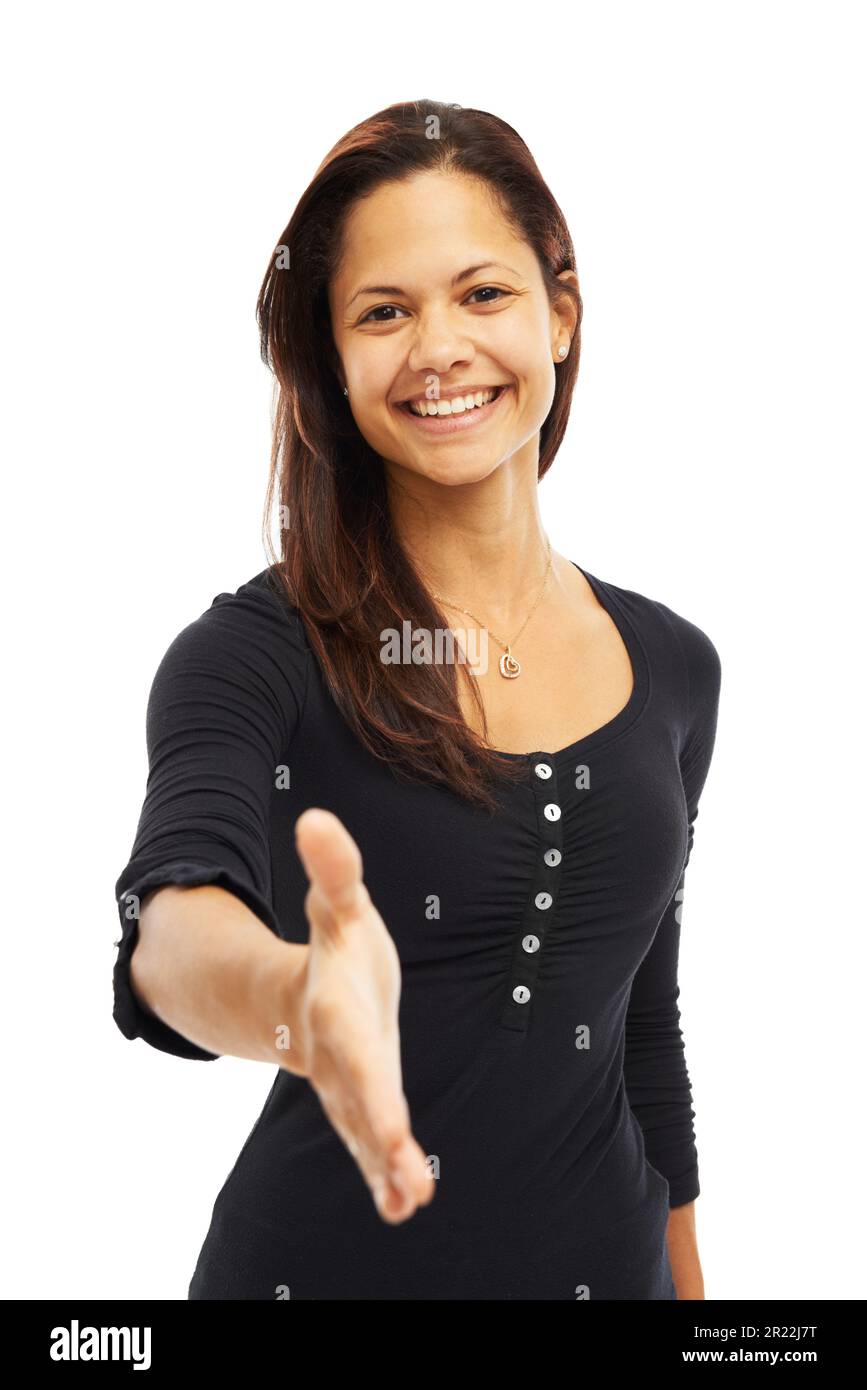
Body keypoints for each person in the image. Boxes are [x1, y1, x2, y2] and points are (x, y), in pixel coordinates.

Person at [113, 99, 721, 1300]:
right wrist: (296, 997)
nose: (437, 347)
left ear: (561, 310)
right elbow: (170, 928)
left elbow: (644, 1025)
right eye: (383, 311)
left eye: (482, 294)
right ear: (334, 365)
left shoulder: (677, 666)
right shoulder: (252, 653)